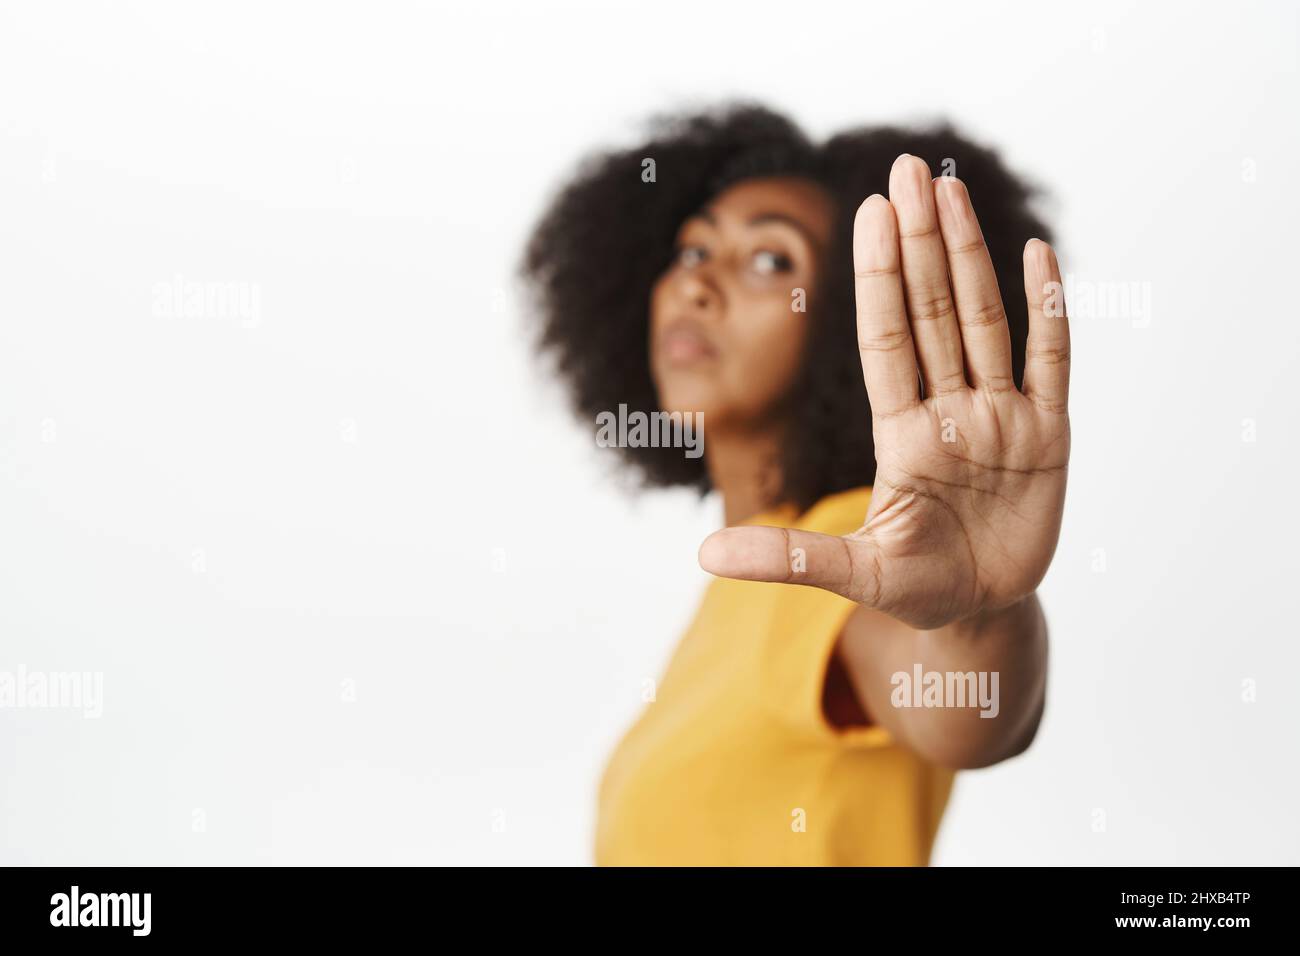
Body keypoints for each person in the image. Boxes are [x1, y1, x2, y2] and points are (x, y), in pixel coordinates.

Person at [521, 104, 1070, 865]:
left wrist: (983, 614)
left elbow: (969, 716)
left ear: (848, 320)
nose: (697, 285)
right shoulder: (744, 572)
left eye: (770, 260)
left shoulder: (845, 549)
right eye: (690, 250)